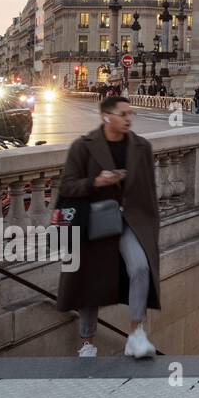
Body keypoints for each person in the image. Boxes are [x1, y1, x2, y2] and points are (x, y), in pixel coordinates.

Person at [56, 96, 161, 358]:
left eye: (130, 114)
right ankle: (87, 343)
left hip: (130, 221)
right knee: (92, 281)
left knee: (139, 267)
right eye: (122, 114)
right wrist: (96, 182)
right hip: (95, 221)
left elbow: (149, 189)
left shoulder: (141, 147)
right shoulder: (83, 146)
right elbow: (67, 186)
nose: (128, 119)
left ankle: (136, 334)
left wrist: (151, 224)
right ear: (106, 116)